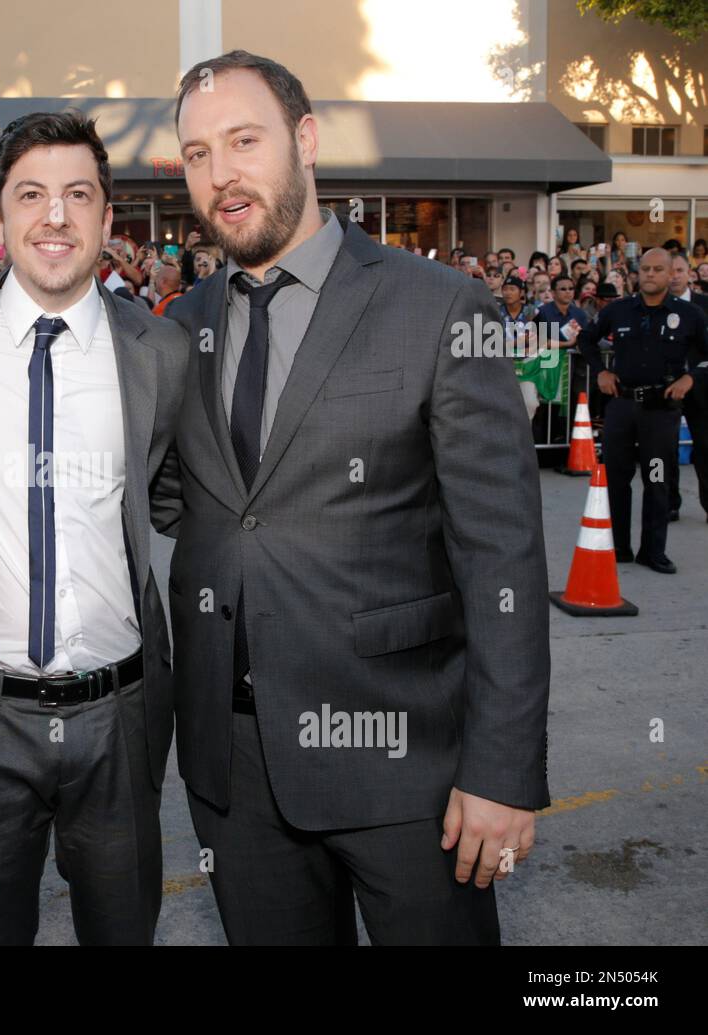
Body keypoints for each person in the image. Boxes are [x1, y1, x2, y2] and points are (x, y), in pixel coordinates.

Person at [162, 50, 549, 946]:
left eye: (244, 141)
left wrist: (501, 769)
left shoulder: (443, 309)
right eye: (195, 154)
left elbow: (503, 559)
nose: (221, 175)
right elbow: (191, 508)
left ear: (305, 140)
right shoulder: (181, 331)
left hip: (407, 765)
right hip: (237, 771)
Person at [0, 110, 187, 946]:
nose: (55, 217)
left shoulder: (159, 352)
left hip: (119, 714)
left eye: (77, 196)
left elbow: (180, 502)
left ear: (105, 217)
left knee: (125, 930)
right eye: (32, 195)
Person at [576, 248, 708, 573]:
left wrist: (690, 378)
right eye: (645, 268)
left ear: (671, 274)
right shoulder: (619, 311)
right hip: (622, 406)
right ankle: (619, 546)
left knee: (657, 479)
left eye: (657, 269)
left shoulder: (689, 314)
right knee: (617, 479)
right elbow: (586, 340)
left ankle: (653, 551)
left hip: (660, 412)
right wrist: (602, 372)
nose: (649, 274)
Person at [665, 252, 708, 521]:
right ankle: (669, 502)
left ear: (689, 273)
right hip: (665, 387)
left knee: (705, 447)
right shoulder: (654, 305)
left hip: (701, 386)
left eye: (680, 270)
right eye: (670, 271)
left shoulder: (704, 305)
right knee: (665, 449)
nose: (675, 276)